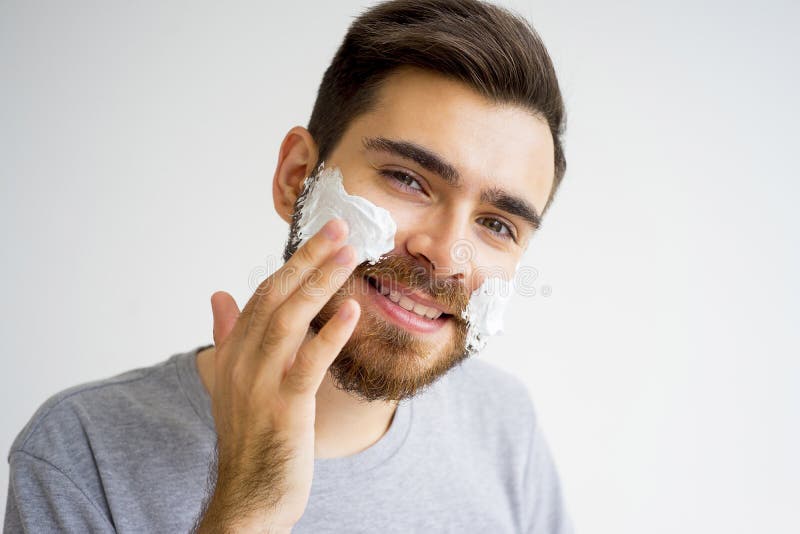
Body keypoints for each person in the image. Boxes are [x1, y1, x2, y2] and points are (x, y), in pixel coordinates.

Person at [4, 0, 572, 532]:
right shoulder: (81, 453)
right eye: (408, 179)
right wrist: (247, 506)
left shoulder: (504, 426)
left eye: (498, 224)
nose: (447, 255)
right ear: (297, 176)